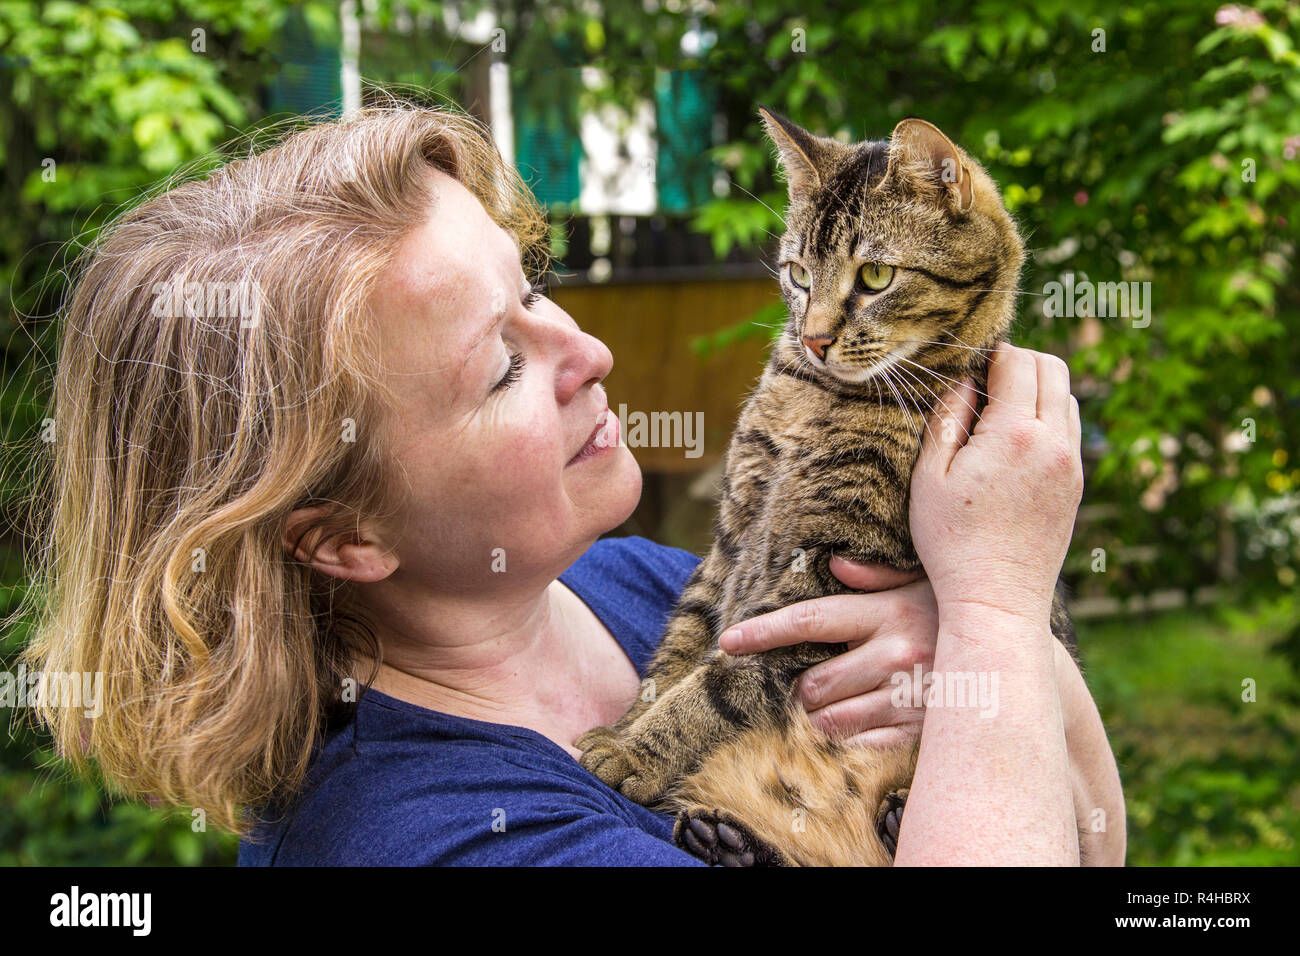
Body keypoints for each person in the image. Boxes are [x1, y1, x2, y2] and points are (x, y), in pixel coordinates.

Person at [22, 104, 1124, 866]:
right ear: (342, 534)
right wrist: (990, 607)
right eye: (499, 364)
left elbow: (1090, 833)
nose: (588, 350)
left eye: (534, 288)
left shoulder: (636, 581)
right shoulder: (431, 835)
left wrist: (1016, 656)